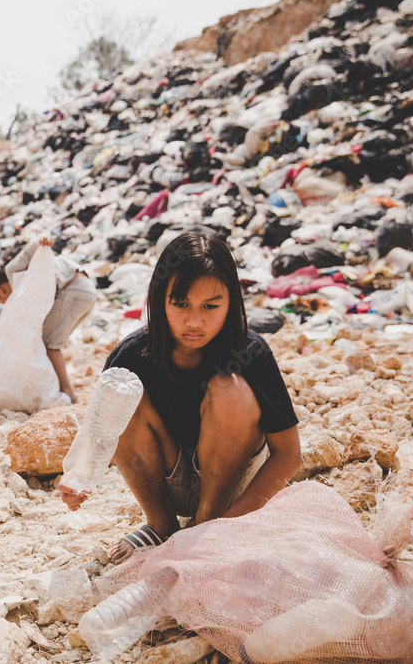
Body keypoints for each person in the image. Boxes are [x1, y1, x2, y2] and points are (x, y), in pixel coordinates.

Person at [58, 232, 301, 564]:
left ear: (232, 303)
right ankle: (162, 525)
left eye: (211, 306)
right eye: (181, 303)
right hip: (168, 482)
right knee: (122, 388)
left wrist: (228, 525)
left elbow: (288, 454)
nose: (195, 321)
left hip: (235, 483)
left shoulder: (249, 352)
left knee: (228, 387)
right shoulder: (133, 355)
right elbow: (98, 433)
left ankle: (207, 524)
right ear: (160, 300)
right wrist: (77, 481)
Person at [0, 237, 96, 402]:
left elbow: (31, 248)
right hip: (86, 290)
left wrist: (42, 241)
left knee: (50, 345)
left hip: (72, 290)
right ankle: (61, 389)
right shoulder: (26, 278)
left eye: (4, 301)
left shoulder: (12, 270)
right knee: (51, 342)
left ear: (0, 291)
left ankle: (68, 394)